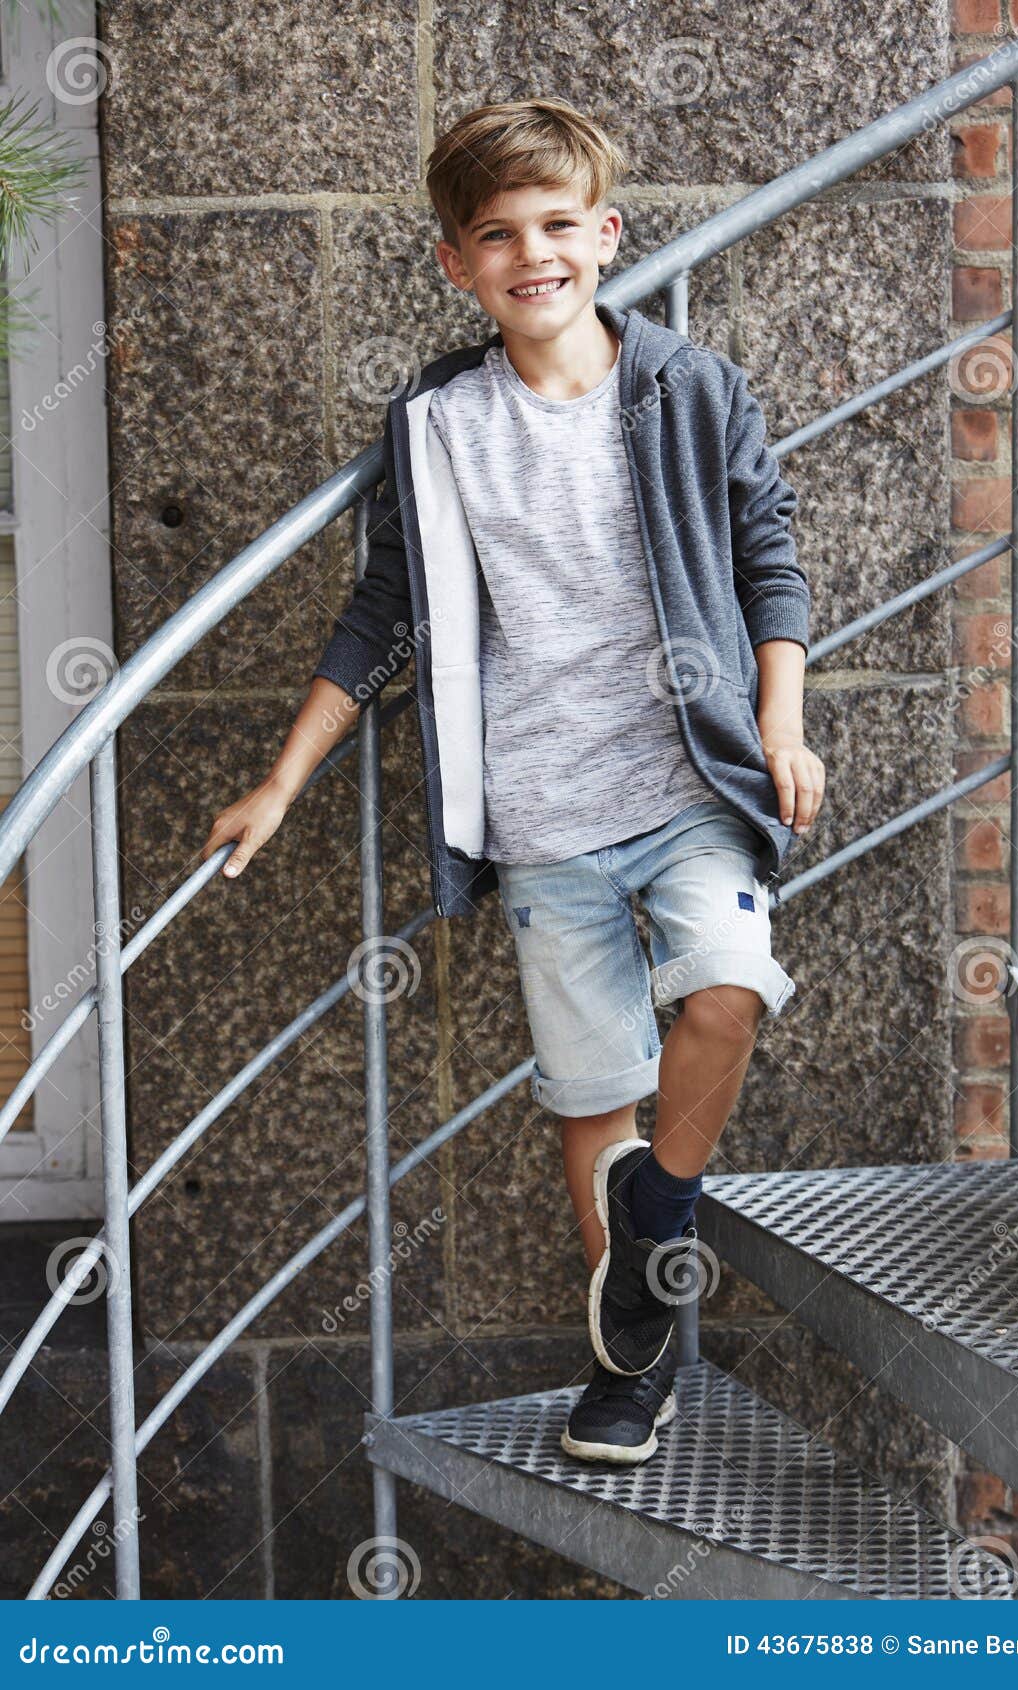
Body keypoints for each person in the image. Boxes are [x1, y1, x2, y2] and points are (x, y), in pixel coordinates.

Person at [201, 96, 825, 1469]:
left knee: (725, 990)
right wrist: (284, 778)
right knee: (593, 1100)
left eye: (556, 225)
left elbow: (769, 552)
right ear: (454, 263)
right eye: (496, 235)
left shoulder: (689, 387)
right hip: (542, 821)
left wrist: (781, 723)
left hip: (690, 788)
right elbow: (385, 614)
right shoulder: (438, 421)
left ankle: (663, 1219)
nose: (530, 254)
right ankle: (635, 1361)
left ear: (605, 235)